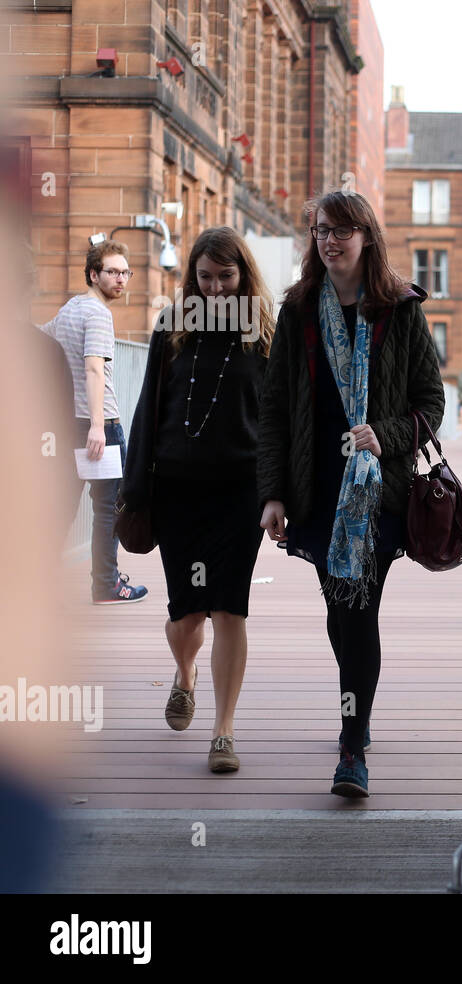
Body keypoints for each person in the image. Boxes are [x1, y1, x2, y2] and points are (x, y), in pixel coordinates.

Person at [257, 189, 444, 798]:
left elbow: (430, 404)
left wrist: (383, 436)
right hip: (317, 491)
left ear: (366, 236)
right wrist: (274, 493)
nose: (330, 241)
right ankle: (355, 707)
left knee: (358, 610)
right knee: (342, 612)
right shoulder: (299, 310)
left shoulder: (400, 309)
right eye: (320, 232)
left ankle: (351, 744)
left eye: (341, 231)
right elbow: (275, 411)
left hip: (379, 491)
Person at [121, 227, 275, 773]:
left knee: (230, 606)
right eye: (205, 277)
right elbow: (147, 409)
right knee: (187, 615)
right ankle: (184, 675)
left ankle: (223, 731)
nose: (214, 289)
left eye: (226, 277)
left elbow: (279, 420)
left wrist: (281, 494)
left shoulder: (263, 333)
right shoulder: (173, 326)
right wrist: (134, 487)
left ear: (244, 276)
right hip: (178, 492)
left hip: (240, 492)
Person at [41, 240, 148, 604]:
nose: (121, 280)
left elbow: (42, 341)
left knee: (63, 506)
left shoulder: (70, 308)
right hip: (98, 426)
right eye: (112, 272)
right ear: (93, 274)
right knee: (108, 508)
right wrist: (99, 427)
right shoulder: (99, 314)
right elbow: (92, 368)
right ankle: (106, 584)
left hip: (69, 423)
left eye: (125, 272)